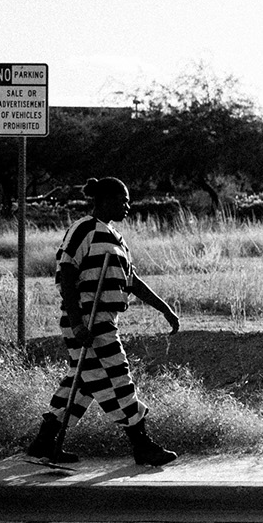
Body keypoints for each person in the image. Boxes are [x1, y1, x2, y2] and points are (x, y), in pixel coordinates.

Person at [24, 177, 182, 468]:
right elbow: (66, 274)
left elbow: (132, 282)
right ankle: (142, 445)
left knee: (83, 382)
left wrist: (165, 309)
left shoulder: (116, 238)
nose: (128, 206)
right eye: (123, 200)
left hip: (103, 318)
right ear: (106, 200)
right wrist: (78, 323)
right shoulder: (84, 229)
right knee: (118, 377)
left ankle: (44, 441)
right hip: (88, 319)